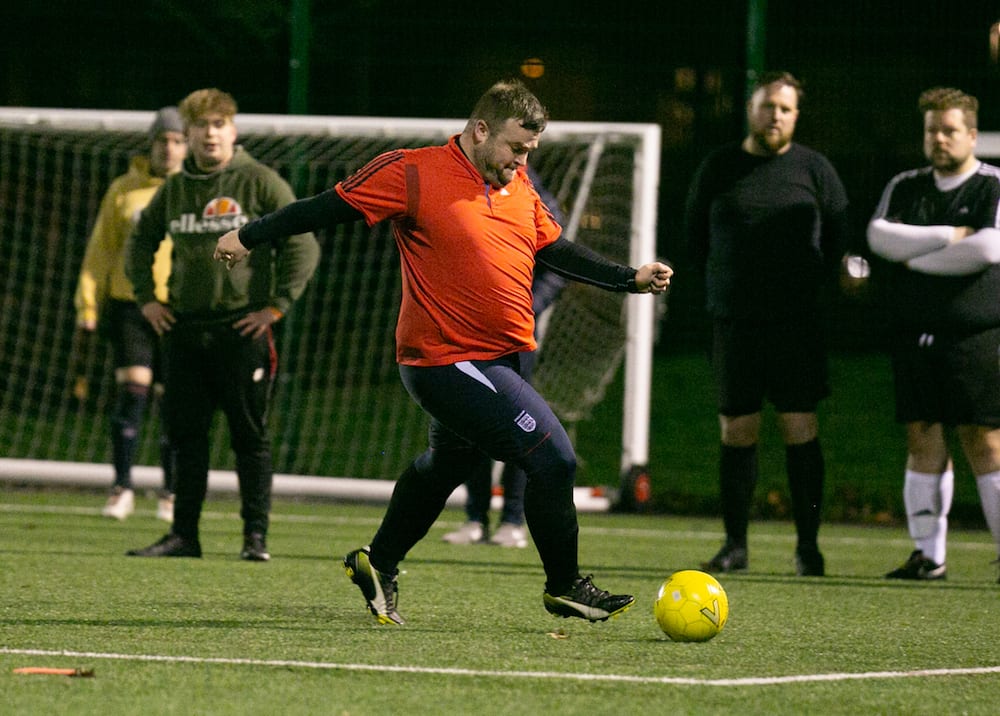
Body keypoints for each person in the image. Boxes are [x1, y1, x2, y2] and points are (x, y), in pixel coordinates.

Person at [214, 79, 672, 623]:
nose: (521, 161)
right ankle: (565, 586)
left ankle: (377, 561)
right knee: (555, 459)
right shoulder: (412, 171)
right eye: (515, 148)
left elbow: (558, 252)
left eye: (530, 151)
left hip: (504, 357)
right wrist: (249, 234)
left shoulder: (519, 188)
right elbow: (322, 209)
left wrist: (629, 279)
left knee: (446, 464)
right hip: (449, 359)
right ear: (480, 130)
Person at [125, 88, 320, 562]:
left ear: (233, 131)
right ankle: (183, 536)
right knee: (184, 438)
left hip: (242, 331)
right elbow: (141, 243)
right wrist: (148, 299)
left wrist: (275, 306)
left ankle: (255, 538)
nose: (210, 134)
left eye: (219, 125)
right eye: (201, 127)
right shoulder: (174, 189)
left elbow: (303, 245)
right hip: (185, 331)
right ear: (189, 134)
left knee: (249, 438)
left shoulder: (259, 182)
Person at [684, 71, 850, 577]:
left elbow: (841, 242)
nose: (774, 115)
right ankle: (735, 544)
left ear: (796, 116)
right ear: (751, 110)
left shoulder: (815, 170)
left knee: (800, 427)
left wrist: (842, 277)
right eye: (766, 106)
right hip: (735, 320)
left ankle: (808, 547)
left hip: (796, 323)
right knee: (738, 429)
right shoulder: (719, 167)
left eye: (784, 108)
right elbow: (693, 239)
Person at [867, 87, 1000, 583]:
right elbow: (880, 237)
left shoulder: (992, 185)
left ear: (971, 134)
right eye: (932, 131)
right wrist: (950, 236)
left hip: (977, 335)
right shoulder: (905, 185)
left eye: (949, 130)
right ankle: (928, 555)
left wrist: (913, 254)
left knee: (983, 438)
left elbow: (988, 250)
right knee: (921, 435)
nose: (939, 139)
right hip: (915, 334)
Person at [442, 168, 567, 549]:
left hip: (514, 339)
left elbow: (557, 269)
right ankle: (475, 517)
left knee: (517, 425)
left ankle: (512, 519)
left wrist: (526, 308)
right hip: (465, 334)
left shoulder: (535, 201)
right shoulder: (464, 195)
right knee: (471, 425)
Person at [74, 107, 187, 522]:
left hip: (178, 310)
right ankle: (121, 487)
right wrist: (88, 301)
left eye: (177, 141)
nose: (170, 149)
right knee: (132, 395)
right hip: (131, 306)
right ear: (152, 144)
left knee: (172, 403)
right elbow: (101, 247)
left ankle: (171, 493)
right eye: (164, 141)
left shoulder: (193, 189)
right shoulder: (125, 188)